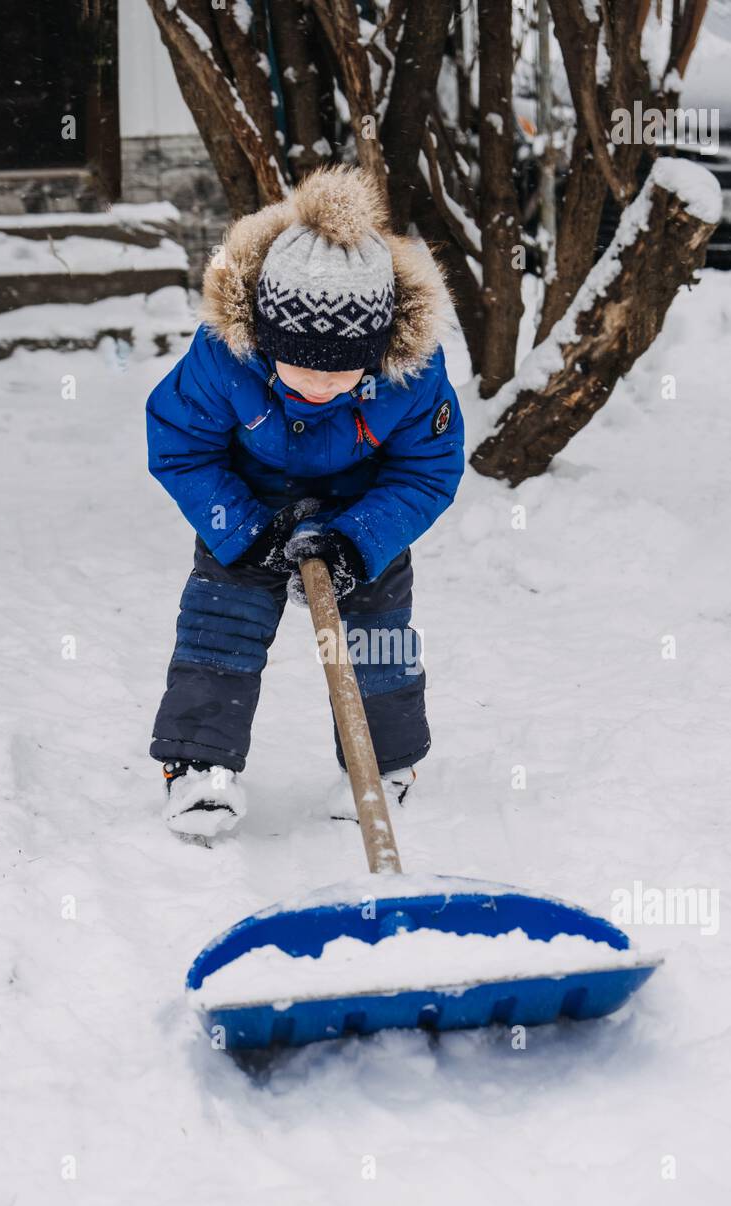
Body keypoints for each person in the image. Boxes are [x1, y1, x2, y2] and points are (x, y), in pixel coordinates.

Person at [146, 165, 465, 838]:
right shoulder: (223, 356)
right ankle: (199, 768)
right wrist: (244, 533)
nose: (319, 386)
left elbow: (427, 471)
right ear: (265, 337)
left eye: (341, 370)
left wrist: (359, 540)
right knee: (220, 623)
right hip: (249, 501)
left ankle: (382, 765)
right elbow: (180, 446)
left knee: (378, 629)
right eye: (300, 366)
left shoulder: (413, 375)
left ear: (377, 351)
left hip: (361, 507)